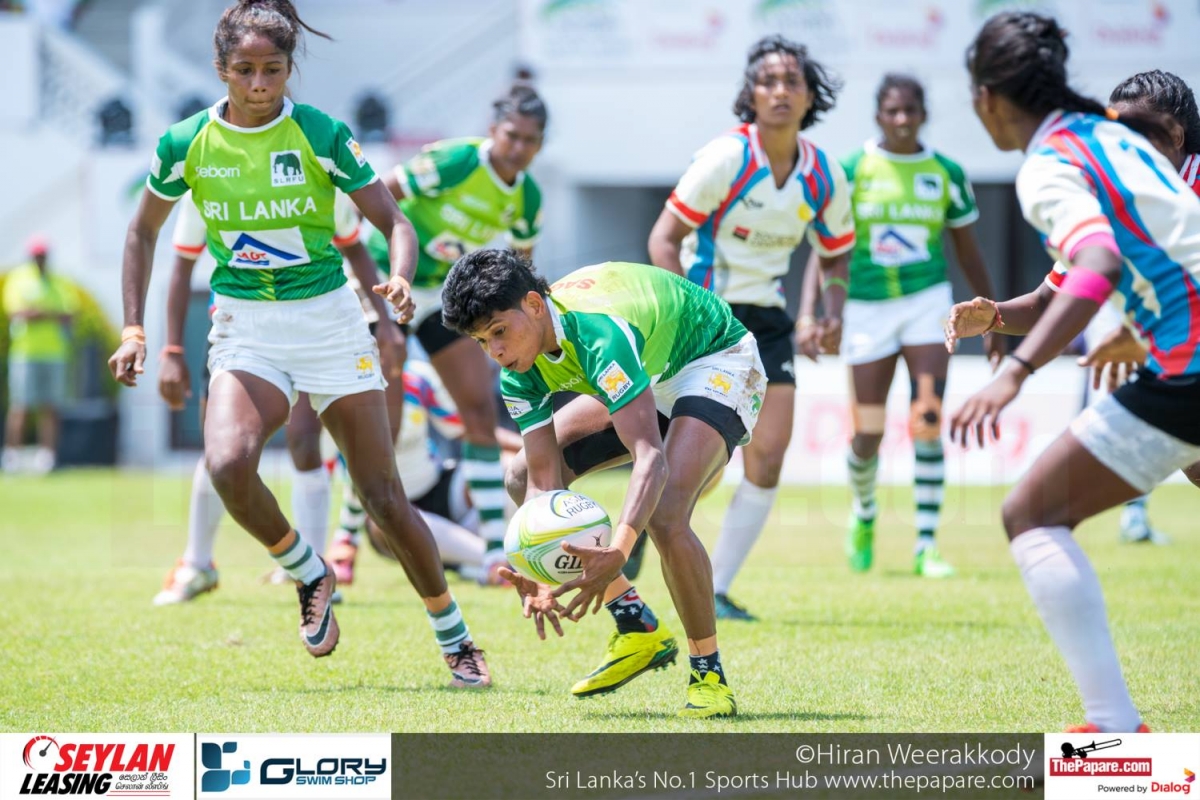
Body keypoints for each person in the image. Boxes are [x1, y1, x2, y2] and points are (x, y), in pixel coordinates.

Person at [107, 0, 490, 688]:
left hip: (330, 322)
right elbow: (142, 233)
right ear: (221, 69)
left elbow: (393, 221)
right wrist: (136, 329)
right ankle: (307, 571)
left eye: (274, 70)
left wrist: (400, 281)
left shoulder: (320, 134)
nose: (259, 85)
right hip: (246, 326)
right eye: (245, 70)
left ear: (290, 70)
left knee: (382, 498)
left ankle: (455, 634)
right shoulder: (185, 144)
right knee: (227, 464)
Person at [945, 11, 1200, 732]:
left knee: (1031, 514)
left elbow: (1099, 264)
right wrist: (998, 318)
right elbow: (1072, 285)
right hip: (1182, 350)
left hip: (1191, 358)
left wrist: (1014, 372)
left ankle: (1114, 732)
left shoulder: (1052, 163)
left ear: (988, 98)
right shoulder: (1107, 140)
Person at [442, 254, 768, 718]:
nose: (494, 350)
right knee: (518, 475)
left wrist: (619, 546)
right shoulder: (518, 370)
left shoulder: (598, 333)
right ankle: (636, 623)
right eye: (480, 340)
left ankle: (708, 674)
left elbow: (649, 458)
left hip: (718, 358)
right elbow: (542, 486)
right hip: (650, 369)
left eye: (498, 331)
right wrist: (537, 563)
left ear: (535, 305)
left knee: (666, 511)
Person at [646, 35, 851, 620]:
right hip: (705, 314)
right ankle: (631, 542)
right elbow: (664, 238)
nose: (780, 91)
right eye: (768, 81)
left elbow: (836, 254)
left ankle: (717, 586)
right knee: (686, 462)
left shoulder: (825, 175)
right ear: (751, 94)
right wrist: (686, 316)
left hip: (766, 321)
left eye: (793, 81)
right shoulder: (725, 159)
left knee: (767, 457)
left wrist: (827, 311)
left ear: (811, 96)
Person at [153, 191, 403, 604]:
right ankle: (198, 564)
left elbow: (355, 246)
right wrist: (172, 349)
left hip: (311, 331)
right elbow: (181, 264)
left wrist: (385, 322)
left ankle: (311, 568)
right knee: (219, 451)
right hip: (236, 333)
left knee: (305, 442)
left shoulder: (314, 173)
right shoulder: (209, 174)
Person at [799, 74, 1003, 578]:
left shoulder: (946, 171)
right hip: (866, 307)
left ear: (923, 114)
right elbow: (824, 250)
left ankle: (926, 546)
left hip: (927, 304)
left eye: (911, 110)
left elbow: (967, 250)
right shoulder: (852, 169)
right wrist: (813, 312)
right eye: (892, 111)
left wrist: (995, 314)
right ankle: (864, 514)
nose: (902, 120)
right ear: (878, 115)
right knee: (867, 435)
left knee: (927, 420)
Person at [366, 85, 546, 584]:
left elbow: (522, 269)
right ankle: (337, 548)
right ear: (494, 130)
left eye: (531, 140)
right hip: (386, 283)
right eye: (512, 135)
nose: (519, 147)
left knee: (478, 409)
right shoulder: (457, 161)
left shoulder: (528, 198)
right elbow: (379, 196)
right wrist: (364, 262)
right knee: (376, 412)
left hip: (443, 299)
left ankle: (493, 550)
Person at [1072, 70, 1200, 545]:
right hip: (1158, 333)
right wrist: (999, 316)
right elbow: (1065, 283)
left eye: (1132, 131)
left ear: (1174, 136)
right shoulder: (1121, 194)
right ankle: (1134, 514)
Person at [334, 359, 524, 585]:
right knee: (384, 518)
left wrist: (536, 446)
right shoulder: (343, 387)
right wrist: (346, 538)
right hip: (391, 513)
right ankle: (499, 562)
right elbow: (354, 473)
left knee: (512, 466)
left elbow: (471, 429)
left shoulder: (417, 378)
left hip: (441, 492)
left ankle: (478, 563)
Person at [3, 236, 75, 475]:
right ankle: (12, 455)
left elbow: (68, 313)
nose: (40, 260)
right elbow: (17, 312)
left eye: (43, 255)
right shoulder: (18, 280)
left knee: (50, 407)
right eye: (36, 255)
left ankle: (47, 457)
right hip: (25, 354)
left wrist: (40, 313)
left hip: (54, 354)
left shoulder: (58, 282)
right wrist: (48, 313)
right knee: (20, 406)